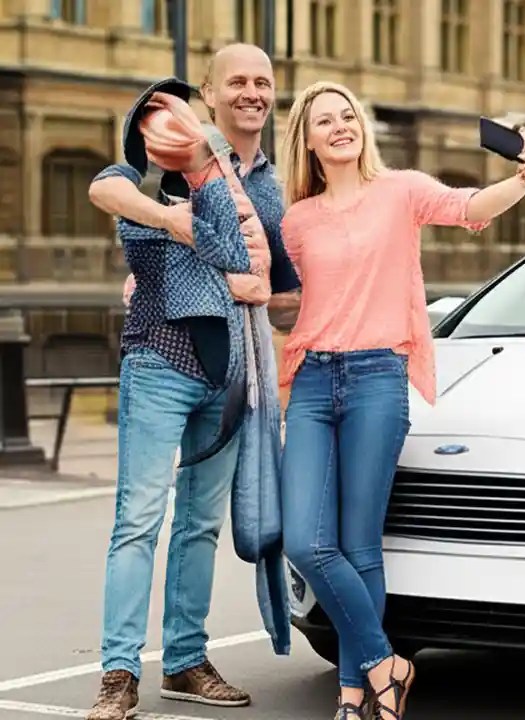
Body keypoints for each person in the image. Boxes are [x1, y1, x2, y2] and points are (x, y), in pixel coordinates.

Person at [277, 80, 525, 720]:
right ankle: (386, 664)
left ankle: (355, 695)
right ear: (307, 140)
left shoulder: (401, 191)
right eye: (325, 120)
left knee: (360, 545)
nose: (341, 126)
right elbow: (288, 295)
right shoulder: (297, 221)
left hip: (377, 378)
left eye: (348, 115)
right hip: (311, 381)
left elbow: (469, 206)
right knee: (306, 543)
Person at [84, 44, 300, 720]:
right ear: (209, 93)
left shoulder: (272, 187)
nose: (251, 92)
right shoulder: (166, 149)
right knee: (138, 521)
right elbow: (105, 189)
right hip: (160, 360)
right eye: (236, 81)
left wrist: (267, 293)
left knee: (200, 524)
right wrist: (175, 221)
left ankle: (184, 660)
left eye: (262, 81)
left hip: (233, 374)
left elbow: (285, 293)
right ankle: (119, 674)